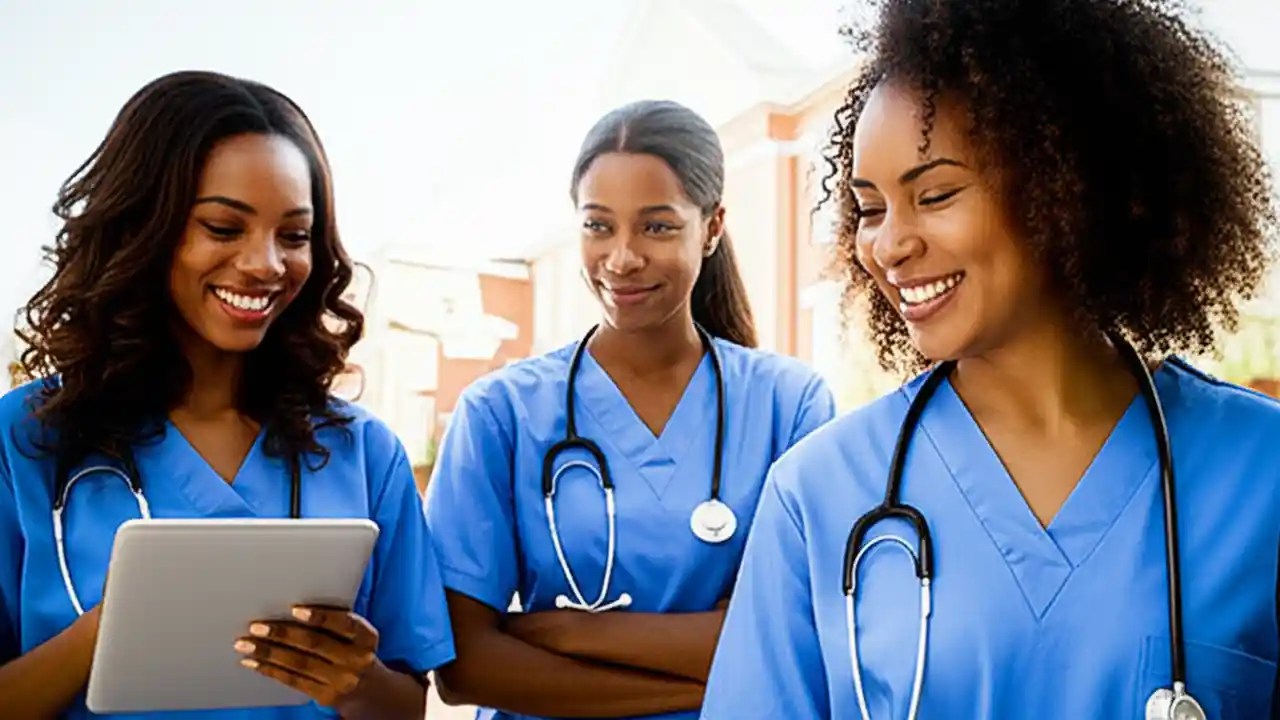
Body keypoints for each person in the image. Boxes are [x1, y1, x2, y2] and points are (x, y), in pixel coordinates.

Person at [701, 1, 1280, 718]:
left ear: (1068, 187)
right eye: (870, 208)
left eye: (935, 194)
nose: (887, 245)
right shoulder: (817, 497)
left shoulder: (1262, 471)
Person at [0, 71, 454, 719]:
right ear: (142, 230)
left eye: (294, 236)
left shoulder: (362, 451)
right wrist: (104, 634)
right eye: (222, 227)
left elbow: (407, 707)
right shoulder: (24, 438)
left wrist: (353, 680)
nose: (266, 263)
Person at [425, 99, 837, 719]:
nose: (621, 257)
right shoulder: (501, 413)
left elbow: (805, 635)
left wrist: (572, 633)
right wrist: (711, 684)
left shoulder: (790, 404)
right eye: (598, 226)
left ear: (713, 227)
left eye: (657, 226)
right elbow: (463, 666)